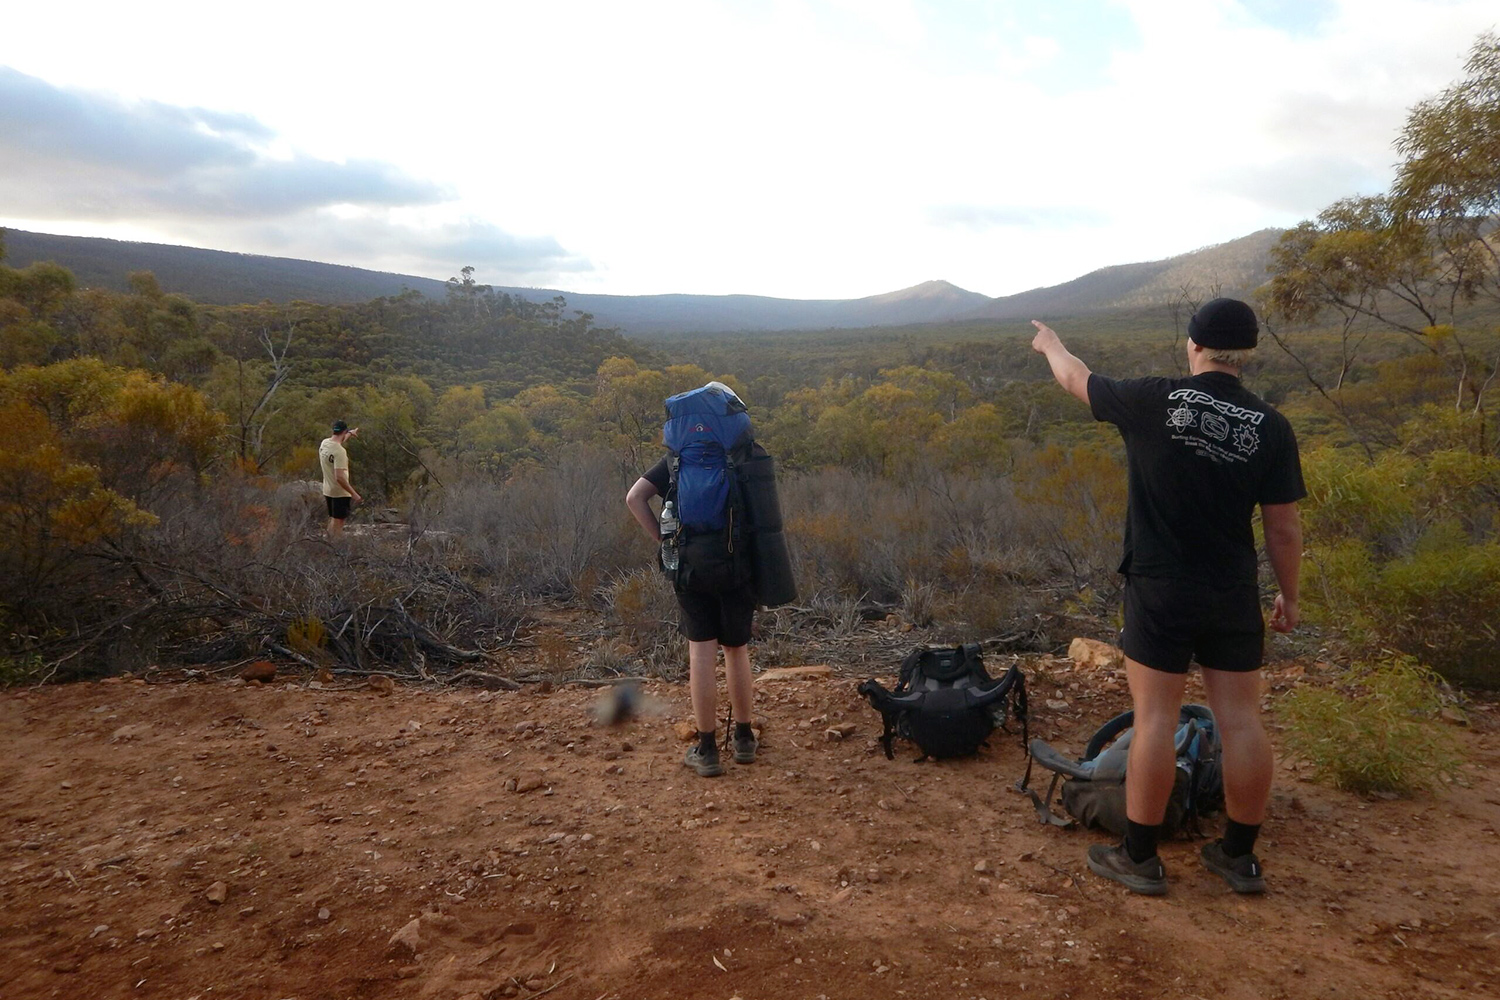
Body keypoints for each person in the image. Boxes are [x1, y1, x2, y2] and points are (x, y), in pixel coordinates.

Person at [1031, 298, 1304, 896]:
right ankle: (1238, 856)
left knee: (1157, 717)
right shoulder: (1273, 428)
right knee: (1240, 721)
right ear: (1247, 355)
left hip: (1160, 584)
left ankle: (1140, 857)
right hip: (1231, 588)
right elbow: (1282, 527)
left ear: (1194, 345)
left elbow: (1076, 378)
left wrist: (1051, 343)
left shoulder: (1154, 398)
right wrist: (1289, 595)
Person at [625, 405, 758, 779]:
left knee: (701, 649)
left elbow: (634, 498)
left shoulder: (676, 460)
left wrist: (664, 541)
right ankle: (745, 740)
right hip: (737, 565)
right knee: (736, 649)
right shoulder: (742, 454)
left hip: (690, 565)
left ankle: (707, 748)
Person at [319, 420, 361, 539]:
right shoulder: (340, 452)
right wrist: (354, 494)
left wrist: (350, 434)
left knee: (333, 518)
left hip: (328, 489)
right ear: (344, 431)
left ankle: (327, 542)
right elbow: (340, 477)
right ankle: (336, 549)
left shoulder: (325, 443)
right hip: (340, 492)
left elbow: (339, 440)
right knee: (339, 523)